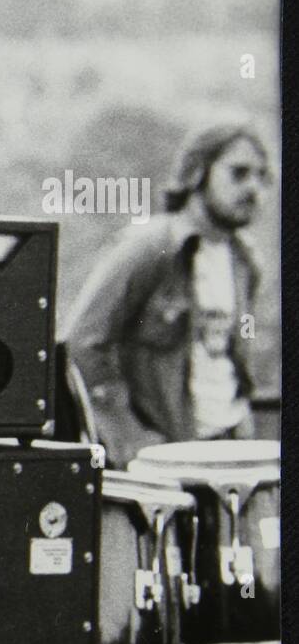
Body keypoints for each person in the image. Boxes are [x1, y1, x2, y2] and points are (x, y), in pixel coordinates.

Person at [64, 122, 272, 468]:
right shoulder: (152, 246)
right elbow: (82, 341)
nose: (253, 188)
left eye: (261, 177)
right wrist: (130, 437)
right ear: (197, 173)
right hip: (166, 460)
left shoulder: (245, 261)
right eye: (239, 173)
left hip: (228, 450)